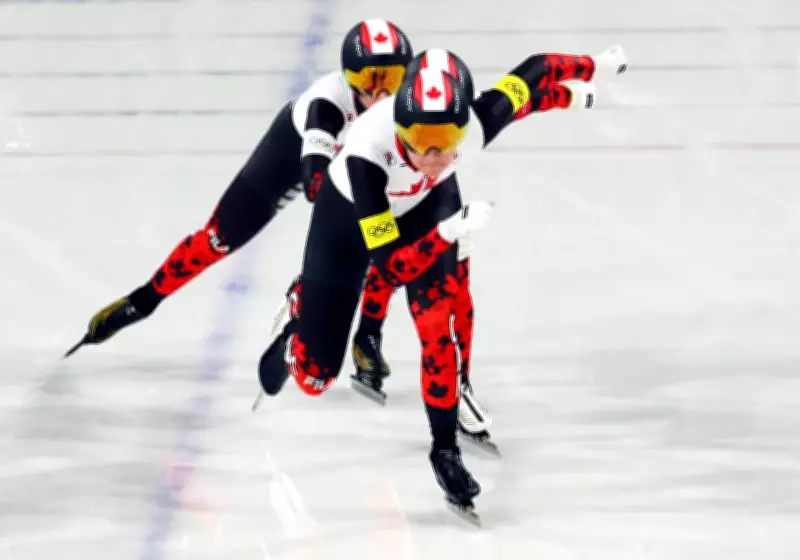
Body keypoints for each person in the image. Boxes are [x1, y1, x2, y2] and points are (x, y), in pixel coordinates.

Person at [255, 46, 628, 520]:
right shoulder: (368, 157)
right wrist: (448, 233)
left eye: (445, 139)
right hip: (350, 219)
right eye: (420, 139)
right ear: (398, 129)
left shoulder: (472, 126)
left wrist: (589, 72)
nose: (433, 154)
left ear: (463, 128)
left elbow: (531, 77)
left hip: (425, 210)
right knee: (315, 376)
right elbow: (390, 270)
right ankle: (300, 316)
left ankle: (445, 450)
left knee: (438, 323)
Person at [62, 19, 414, 358]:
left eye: (393, 80)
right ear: (350, 80)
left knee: (391, 247)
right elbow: (316, 186)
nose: (382, 94)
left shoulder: (409, 107)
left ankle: (367, 335)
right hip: (290, 162)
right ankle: (142, 301)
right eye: (370, 81)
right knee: (217, 239)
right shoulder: (327, 104)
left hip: (352, 166)